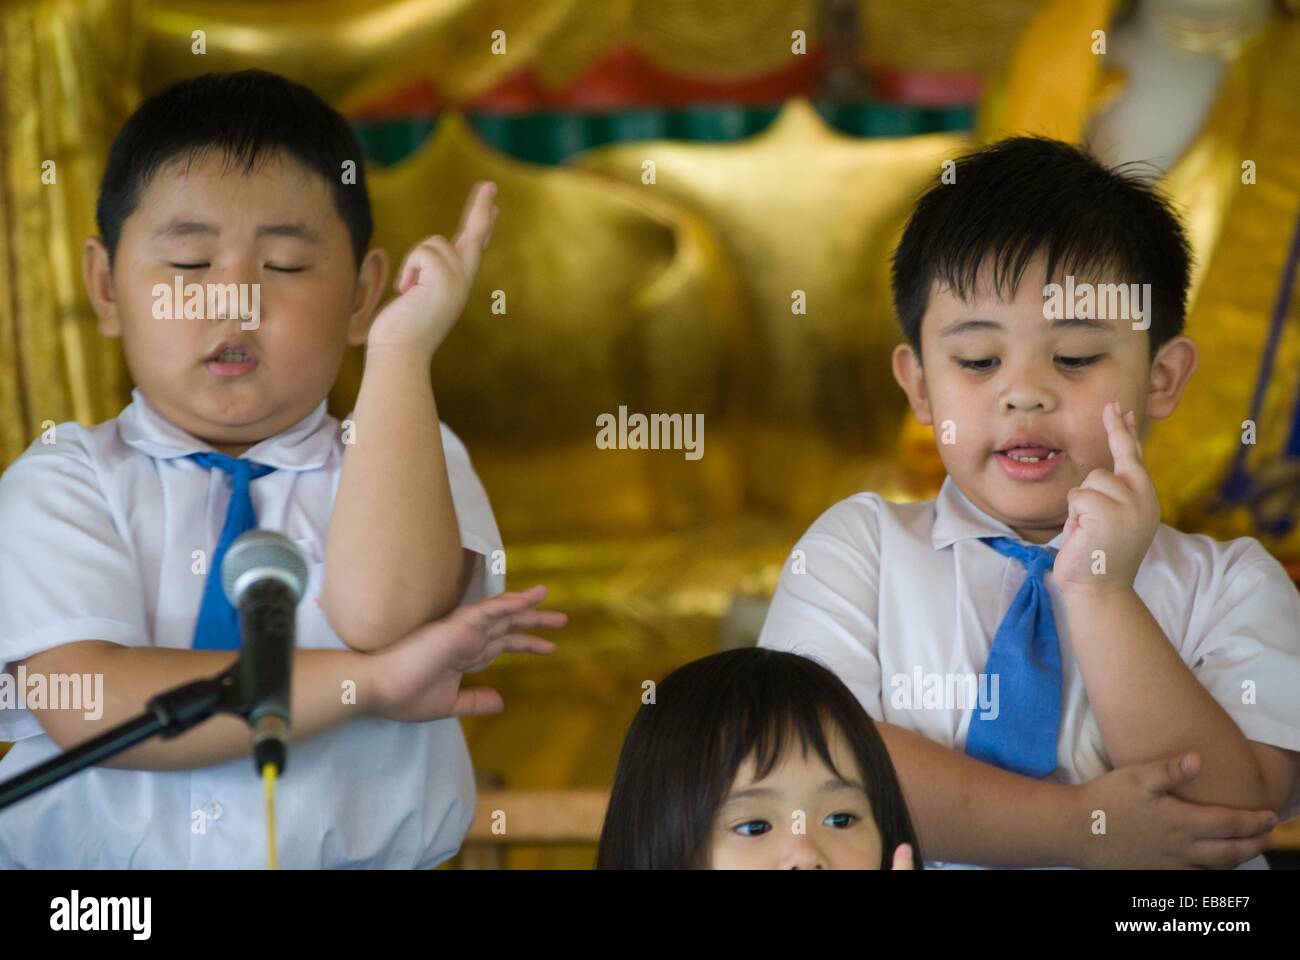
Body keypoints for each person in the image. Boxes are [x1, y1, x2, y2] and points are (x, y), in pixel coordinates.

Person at [0, 70, 565, 868]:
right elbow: (88, 700)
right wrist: (363, 686)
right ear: (106, 286)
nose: (233, 302)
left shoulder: (407, 453)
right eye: (190, 265)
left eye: (285, 268)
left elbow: (385, 618)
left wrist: (402, 351)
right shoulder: (63, 480)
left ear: (363, 293)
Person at [759, 136, 1300, 869]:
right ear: (919, 384)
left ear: (1163, 377)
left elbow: (1233, 818)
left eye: (1075, 358)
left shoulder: (1233, 584)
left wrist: (1102, 593)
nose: (1025, 392)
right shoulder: (858, 551)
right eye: (978, 361)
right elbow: (820, 780)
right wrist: (1082, 826)